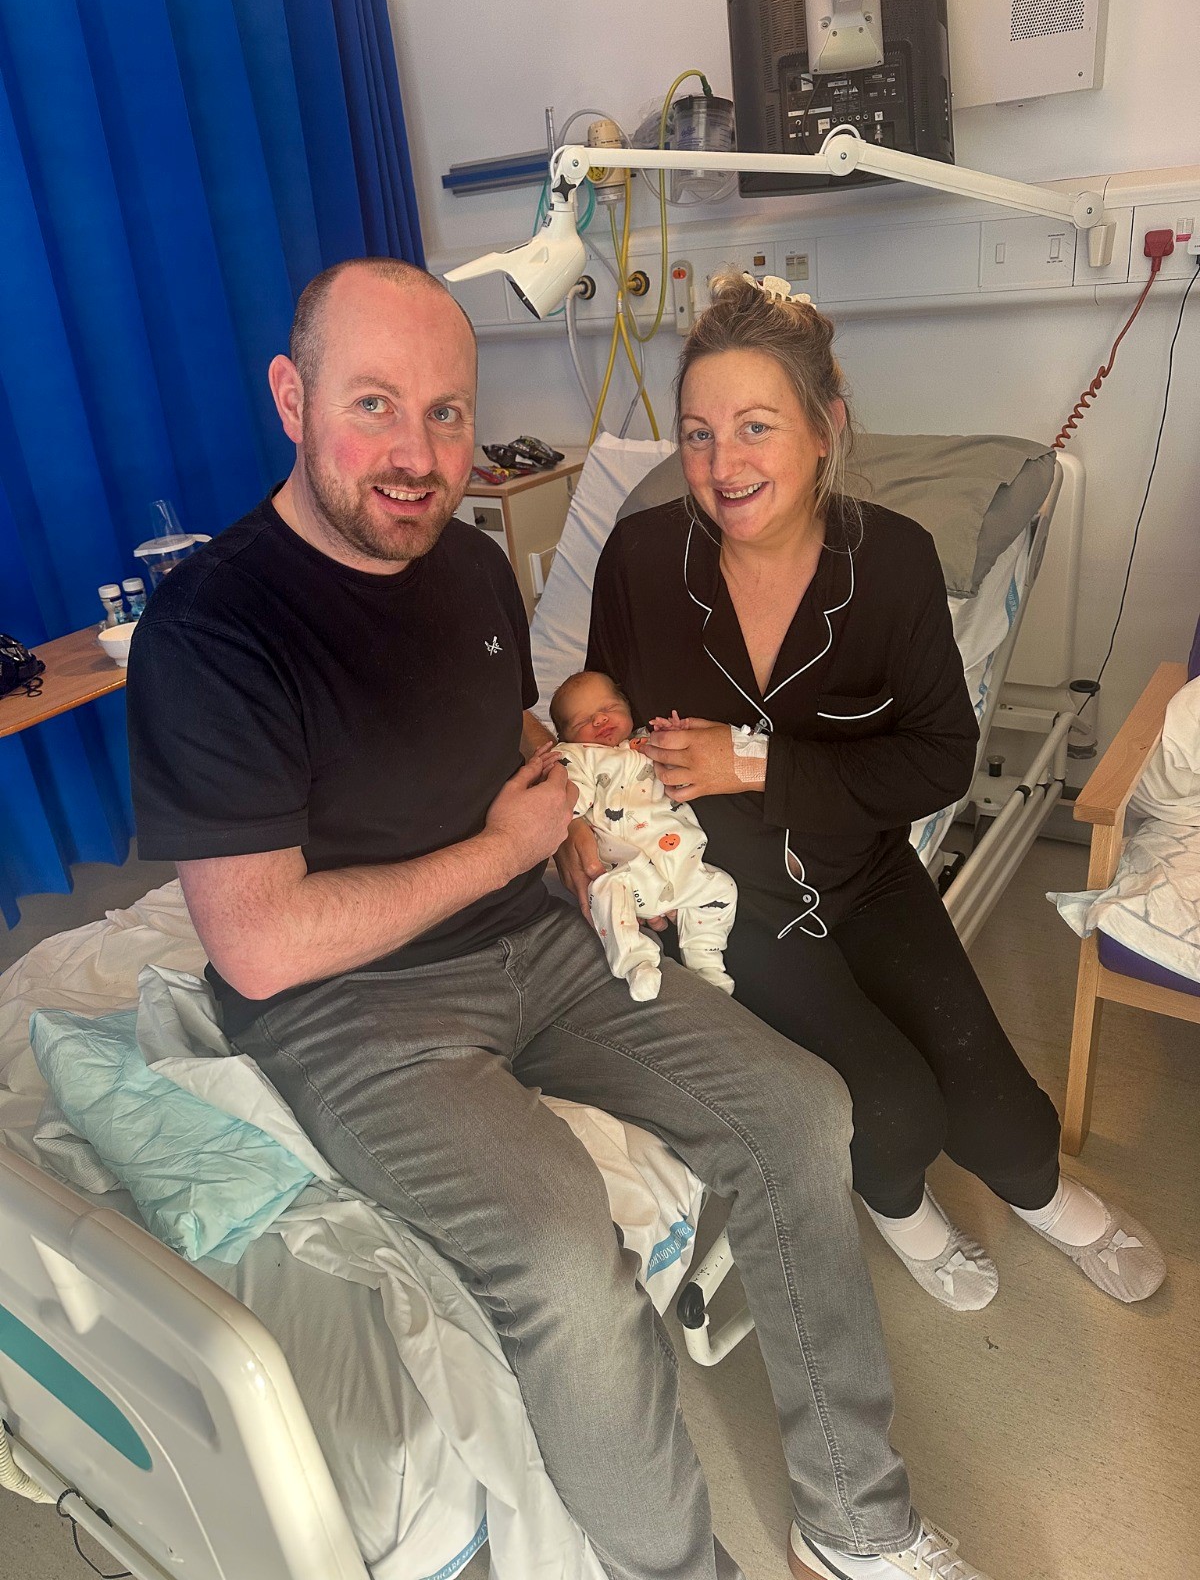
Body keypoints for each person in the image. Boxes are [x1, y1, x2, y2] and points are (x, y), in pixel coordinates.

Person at [125, 257, 1003, 1580]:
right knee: (561, 1262)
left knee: (802, 1111)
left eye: (447, 413)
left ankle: (852, 1517)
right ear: (292, 398)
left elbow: (511, 734)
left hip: (535, 943)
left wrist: (575, 829)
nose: (417, 455)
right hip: (354, 1012)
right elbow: (257, 943)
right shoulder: (216, 628)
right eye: (374, 406)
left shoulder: (470, 568)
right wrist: (502, 850)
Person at [562, 272, 1165, 1337]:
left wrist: (755, 760)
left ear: (825, 426)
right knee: (890, 1108)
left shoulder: (891, 563)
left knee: (985, 1088)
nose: (721, 465)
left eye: (756, 426)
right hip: (728, 888)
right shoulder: (643, 558)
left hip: (864, 863)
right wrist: (587, 833)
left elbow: (939, 760)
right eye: (697, 434)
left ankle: (1040, 1191)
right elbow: (598, 726)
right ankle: (897, 1203)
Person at [550, 669, 737, 999]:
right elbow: (569, 795)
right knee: (606, 895)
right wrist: (561, 780)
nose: (600, 720)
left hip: (681, 865)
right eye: (582, 721)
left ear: (627, 706)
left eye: (608, 707)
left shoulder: (648, 742)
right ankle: (637, 963)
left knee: (721, 888)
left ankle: (706, 962)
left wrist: (676, 737)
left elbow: (687, 765)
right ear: (566, 737)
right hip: (626, 872)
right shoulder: (580, 756)